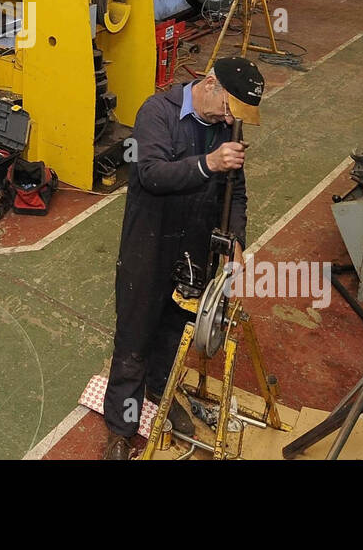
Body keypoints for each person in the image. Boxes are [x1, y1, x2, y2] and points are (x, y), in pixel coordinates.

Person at [102, 57, 263, 460]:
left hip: (195, 249)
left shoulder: (228, 127)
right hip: (149, 244)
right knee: (134, 337)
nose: (231, 119)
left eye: (237, 114)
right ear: (210, 83)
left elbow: (236, 193)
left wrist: (237, 241)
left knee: (176, 329)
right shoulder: (157, 113)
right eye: (229, 107)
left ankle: (160, 389)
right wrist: (209, 163)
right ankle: (121, 429)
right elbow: (150, 175)